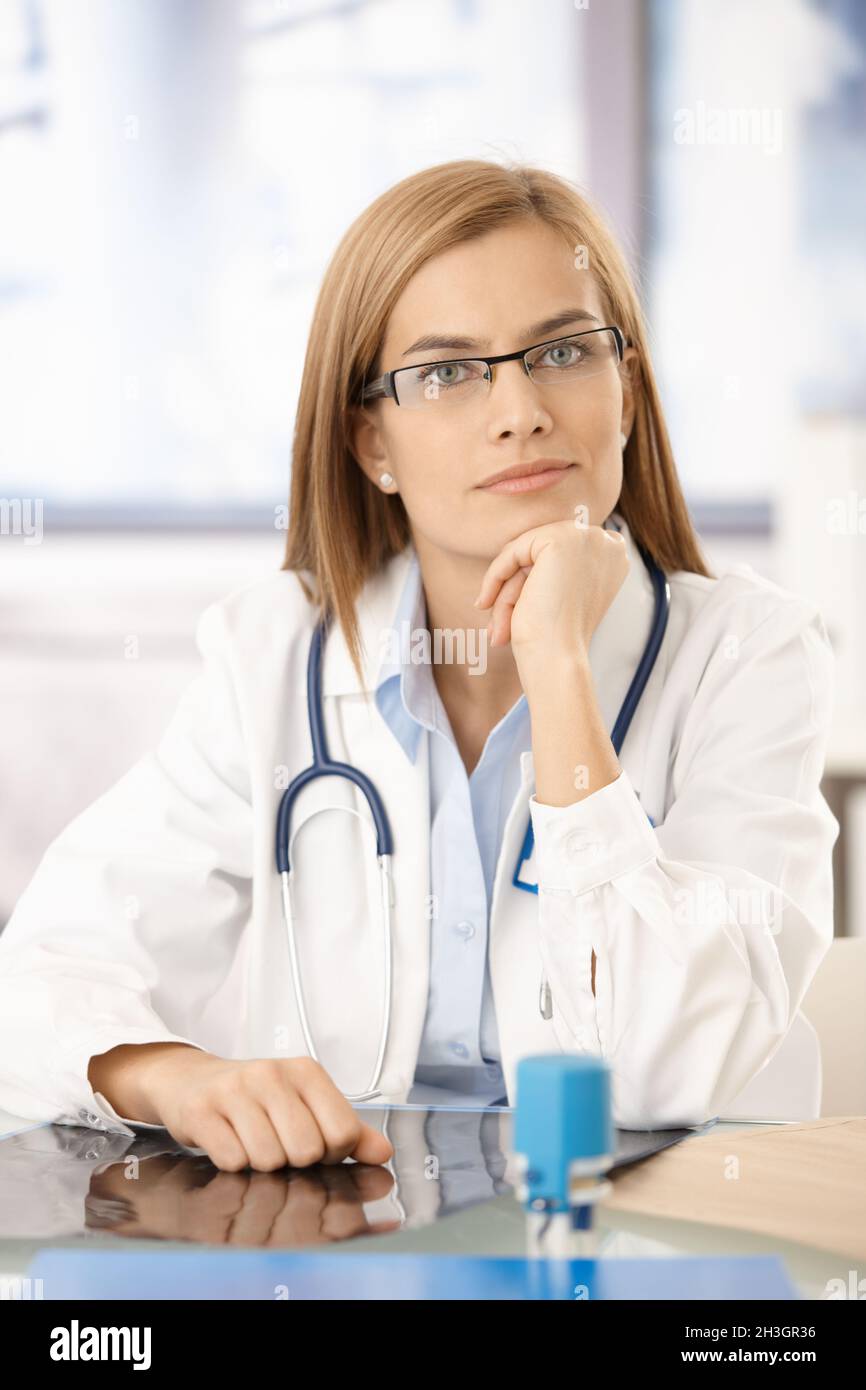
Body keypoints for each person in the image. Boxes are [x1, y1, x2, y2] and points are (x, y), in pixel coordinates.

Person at [0, 159, 838, 1173]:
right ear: (370, 442)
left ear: (624, 394)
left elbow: (667, 1066)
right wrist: (175, 1075)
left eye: (563, 351)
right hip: (354, 1241)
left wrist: (559, 667)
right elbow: (39, 980)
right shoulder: (272, 656)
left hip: (657, 1251)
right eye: (446, 372)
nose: (519, 409)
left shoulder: (750, 656)